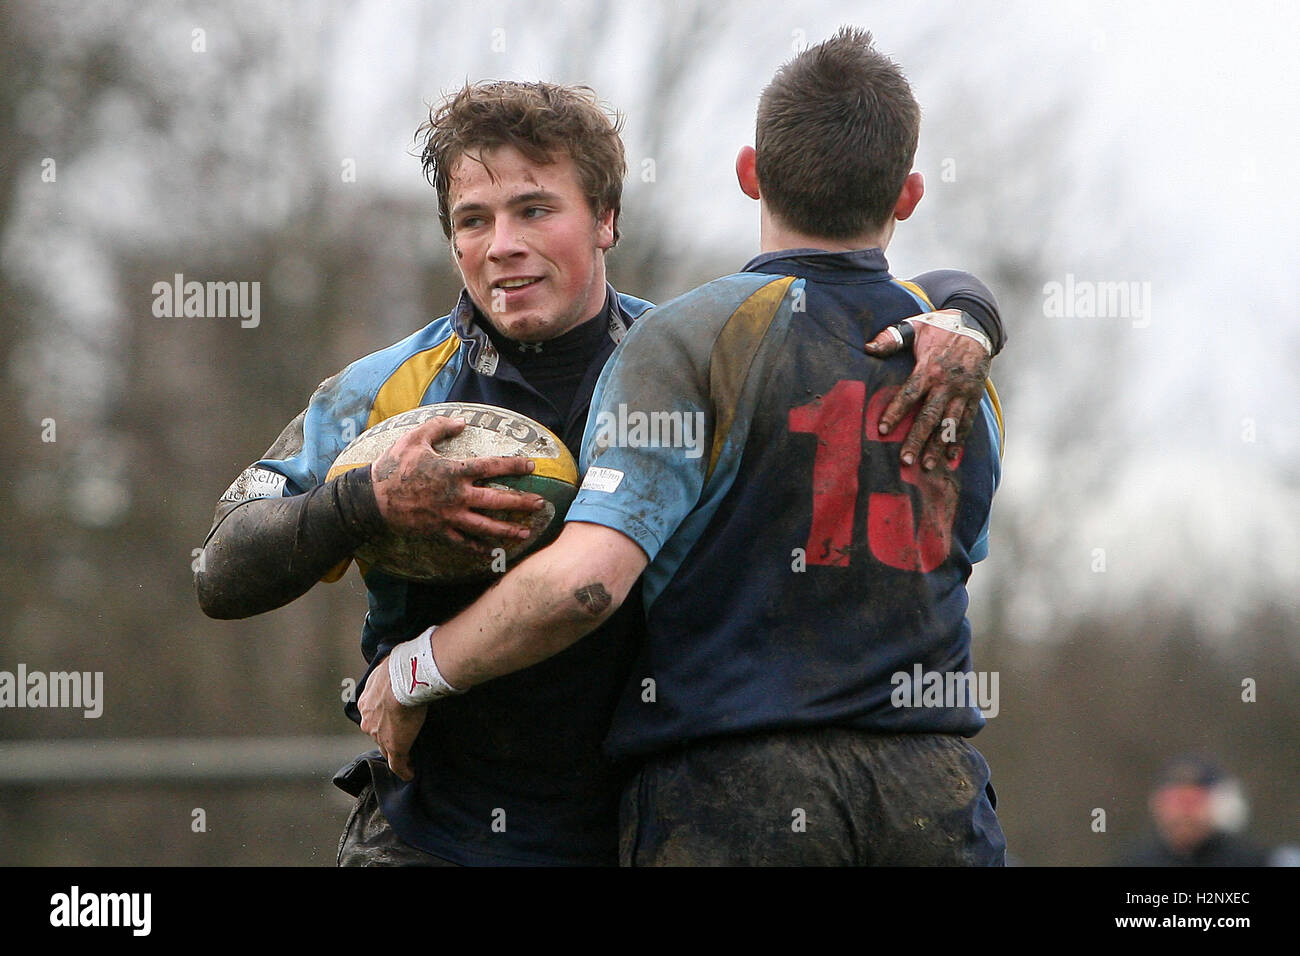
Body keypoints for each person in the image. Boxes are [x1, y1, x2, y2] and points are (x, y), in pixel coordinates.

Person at [199, 77, 1003, 866]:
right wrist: (362, 504)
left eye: (535, 210)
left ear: (606, 219)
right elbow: (221, 568)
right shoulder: (388, 393)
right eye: (471, 221)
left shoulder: (687, 360)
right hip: (430, 832)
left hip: (631, 831)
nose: (500, 244)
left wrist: (968, 312)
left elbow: (829, 298)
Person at [1117, 755, 1269, 866]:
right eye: (1176, 801)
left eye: (1194, 801)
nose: (1184, 812)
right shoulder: (1133, 862)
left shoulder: (1255, 860)